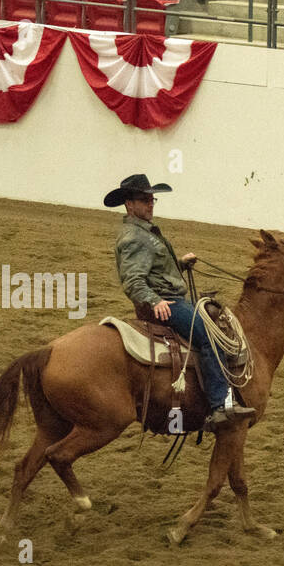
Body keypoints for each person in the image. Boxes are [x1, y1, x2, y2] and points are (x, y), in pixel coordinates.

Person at [103, 174, 254, 433]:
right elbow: (133, 280)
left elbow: (155, 272)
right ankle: (220, 405)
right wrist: (154, 300)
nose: (150, 204)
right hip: (165, 304)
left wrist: (180, 265)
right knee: (210, 336)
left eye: (152, 199)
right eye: (144, 200)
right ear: (129, 204)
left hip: (168, 298)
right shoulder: (134, 238)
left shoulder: (144, 231)